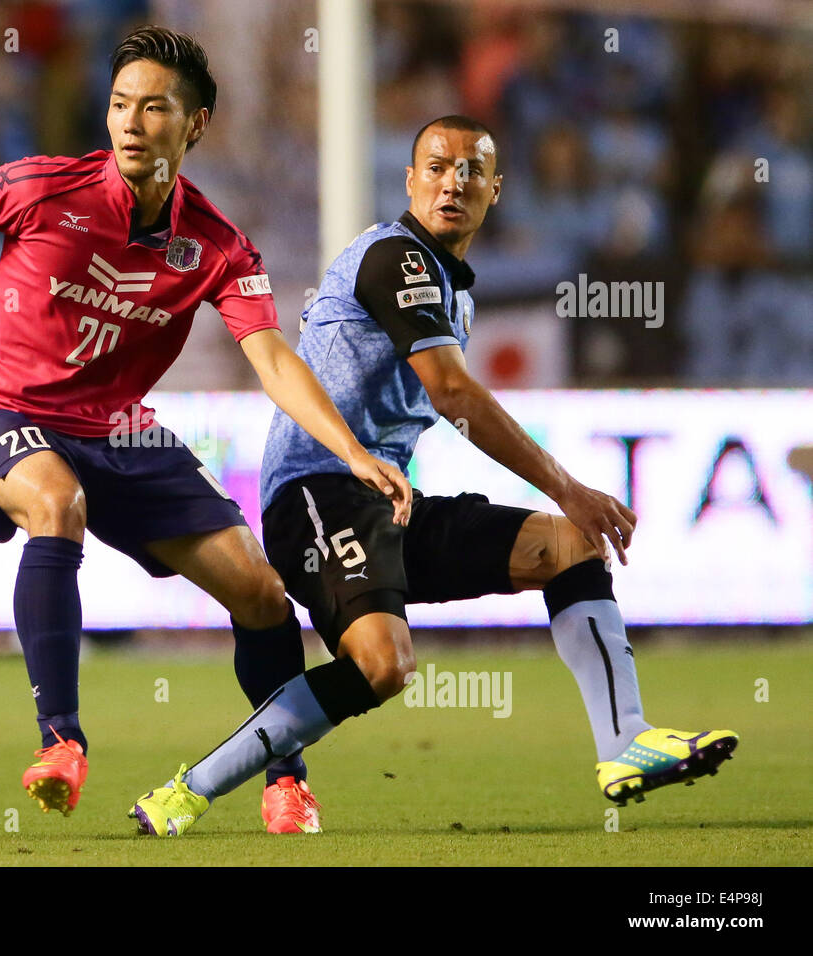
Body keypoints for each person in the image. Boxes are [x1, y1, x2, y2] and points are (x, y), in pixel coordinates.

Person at [0, 26, 412, 828]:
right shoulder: (44, 186)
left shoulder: (219, 248)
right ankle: (61, 741)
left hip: (120, 432)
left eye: (153, 107)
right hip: (5, 410)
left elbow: (271, 359)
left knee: (262, 594)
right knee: (57, 506)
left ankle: (283, 775)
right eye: (120, 103)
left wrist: (352, 450)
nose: (129, 122)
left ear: (193, 127)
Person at [129, 115, 737, 836]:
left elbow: (451, 402)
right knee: (385, 665)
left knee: (569, 546)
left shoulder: (457, 292)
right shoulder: (398, 260)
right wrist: (567, 484)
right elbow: (451, 395)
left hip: (388, 503)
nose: (454, 182)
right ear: (412, 180)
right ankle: (187, 790)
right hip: (316, 495)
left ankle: (624, 742)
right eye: (438, 167)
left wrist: (563, 507)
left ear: (495, 190)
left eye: (472, 171)